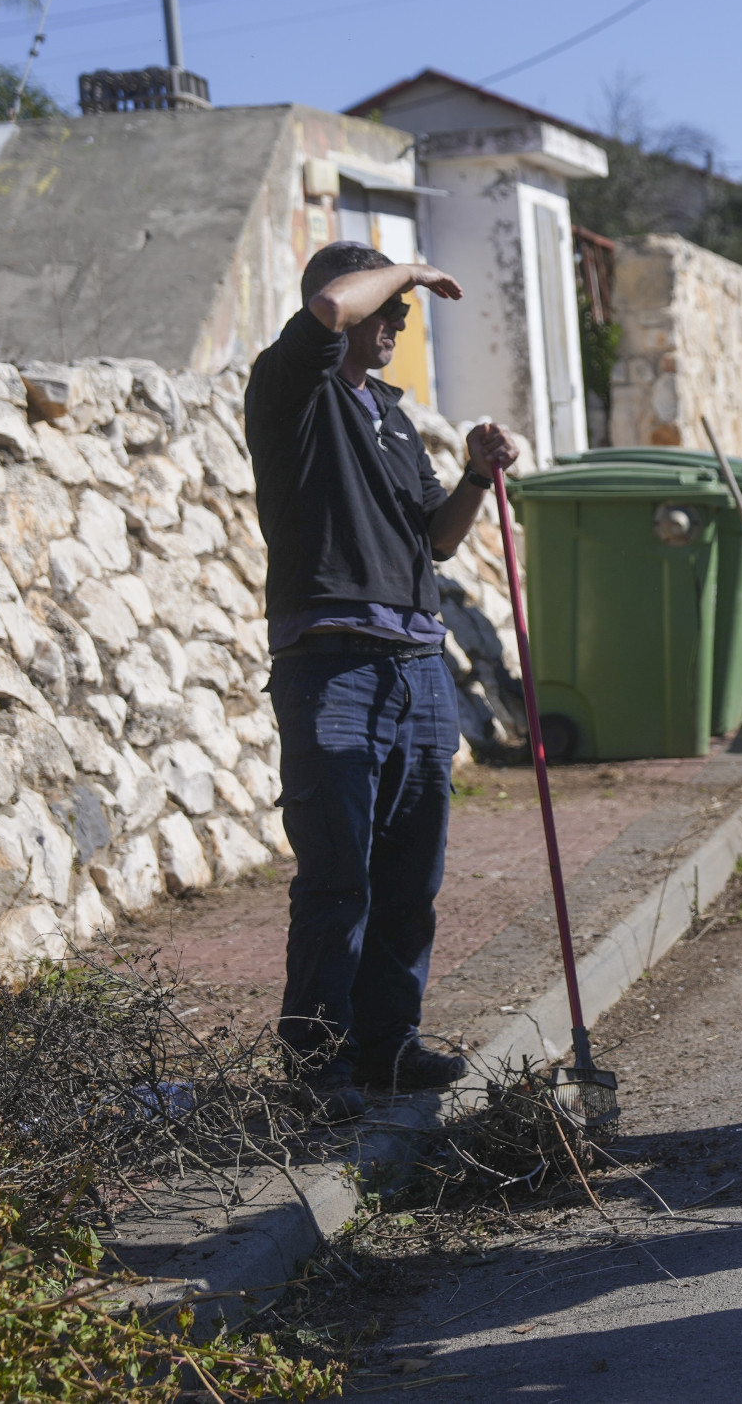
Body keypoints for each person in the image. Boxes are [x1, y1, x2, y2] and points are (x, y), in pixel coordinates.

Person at [244, 241, 519, 1121]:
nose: (399, 321)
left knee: (411, 873)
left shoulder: (394, 417)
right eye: (389, 307)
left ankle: (387, 1047)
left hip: (416, 667)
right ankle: (318, 1066)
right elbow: (328, 313)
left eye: (405, 310)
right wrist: (410, 268)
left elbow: (435, 538)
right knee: (337, 876)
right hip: (332, 667)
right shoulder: (294, 387)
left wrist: (477, 475)